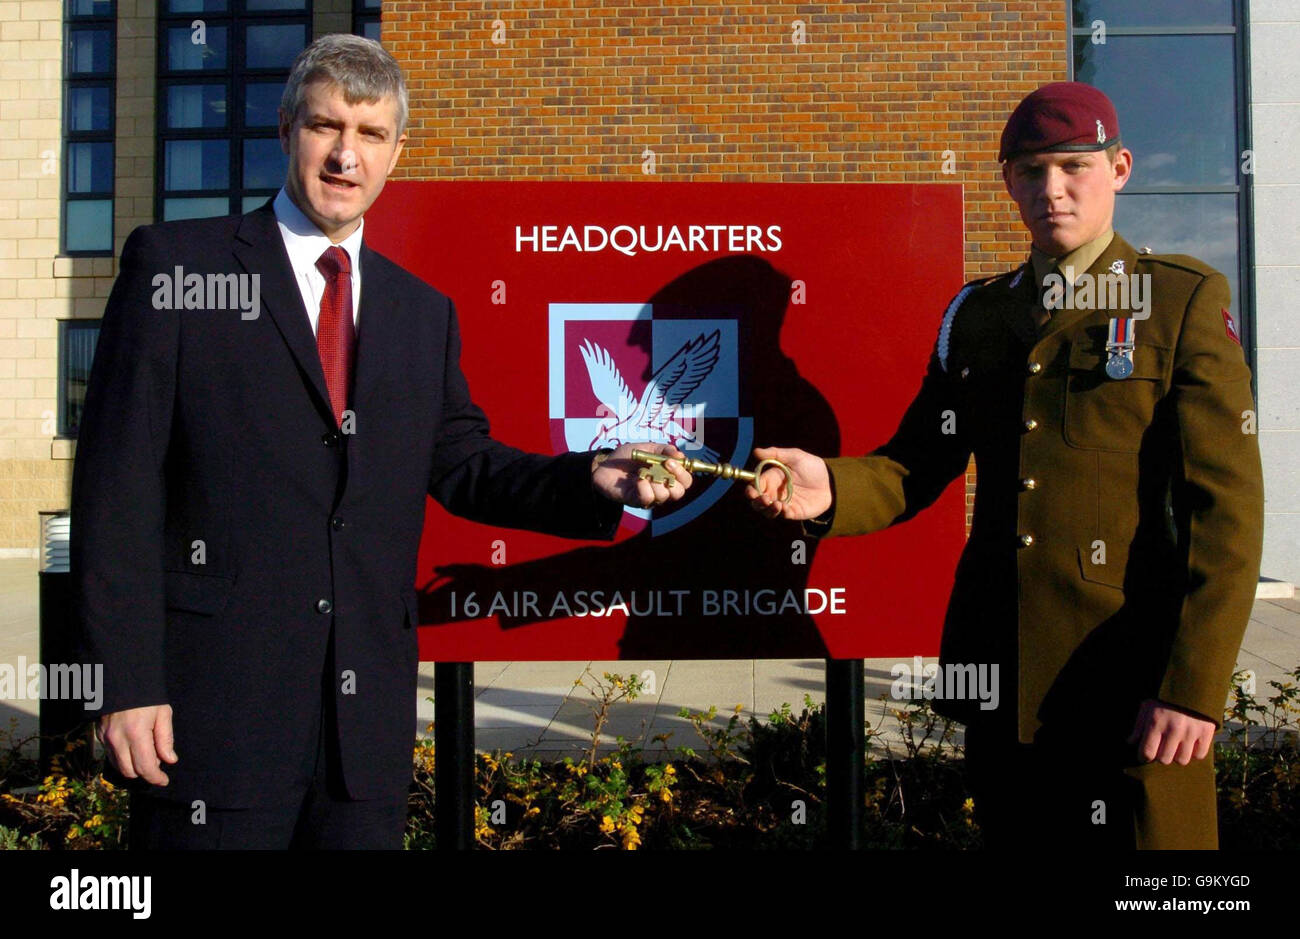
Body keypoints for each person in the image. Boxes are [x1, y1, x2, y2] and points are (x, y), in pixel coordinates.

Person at [69, 34, 693, 849]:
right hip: (209, 724)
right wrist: (124, 683)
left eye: (370, 134)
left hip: (362, 745)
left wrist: (594, 478)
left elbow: (465, 464)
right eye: (325, 126)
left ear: (397, 152)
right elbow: (115, 491)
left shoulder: (420, 312)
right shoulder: (176, 268)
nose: (345, 156)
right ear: (286, 129)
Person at [748, 82, 1263, 849]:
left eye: (1073, 166)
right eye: (1029, 170)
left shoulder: (1176, 301)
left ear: (1119, 168)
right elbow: (914, 464)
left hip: (1133, 687)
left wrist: (1192, 688)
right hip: (1005, 681)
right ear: (1008, 183)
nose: (1051, 189)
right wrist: (828, 486)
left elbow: (1225, 513)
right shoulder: (979, 316)